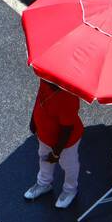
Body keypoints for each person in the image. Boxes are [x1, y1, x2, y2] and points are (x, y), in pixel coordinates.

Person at [26, 80, 82, 209]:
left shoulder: (69, 97)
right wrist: (33, 120)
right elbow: (39, 98)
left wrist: (56, 153)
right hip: (44, 135)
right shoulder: (45, 81)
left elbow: (67, 129)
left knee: (68, 164)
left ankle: (70, 190)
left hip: (66, 143)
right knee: (43, 157)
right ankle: (44, 183)